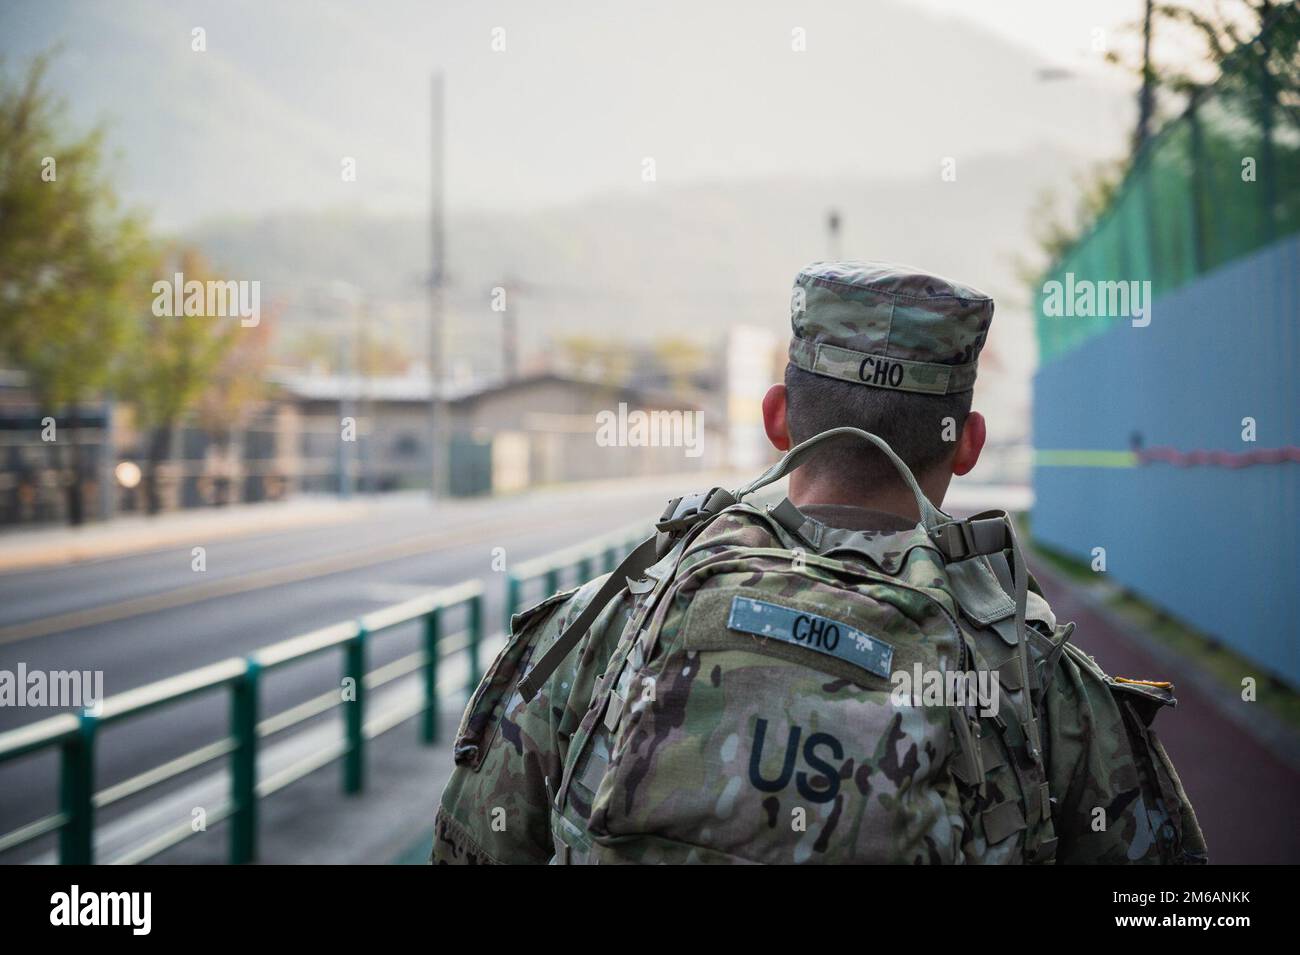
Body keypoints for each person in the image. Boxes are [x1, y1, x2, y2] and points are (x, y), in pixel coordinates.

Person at [432, 261, 1207, 865]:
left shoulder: (610, 621)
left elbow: (473, 842)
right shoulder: (1036, 677)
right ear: (967, 443)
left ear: (778, 418)